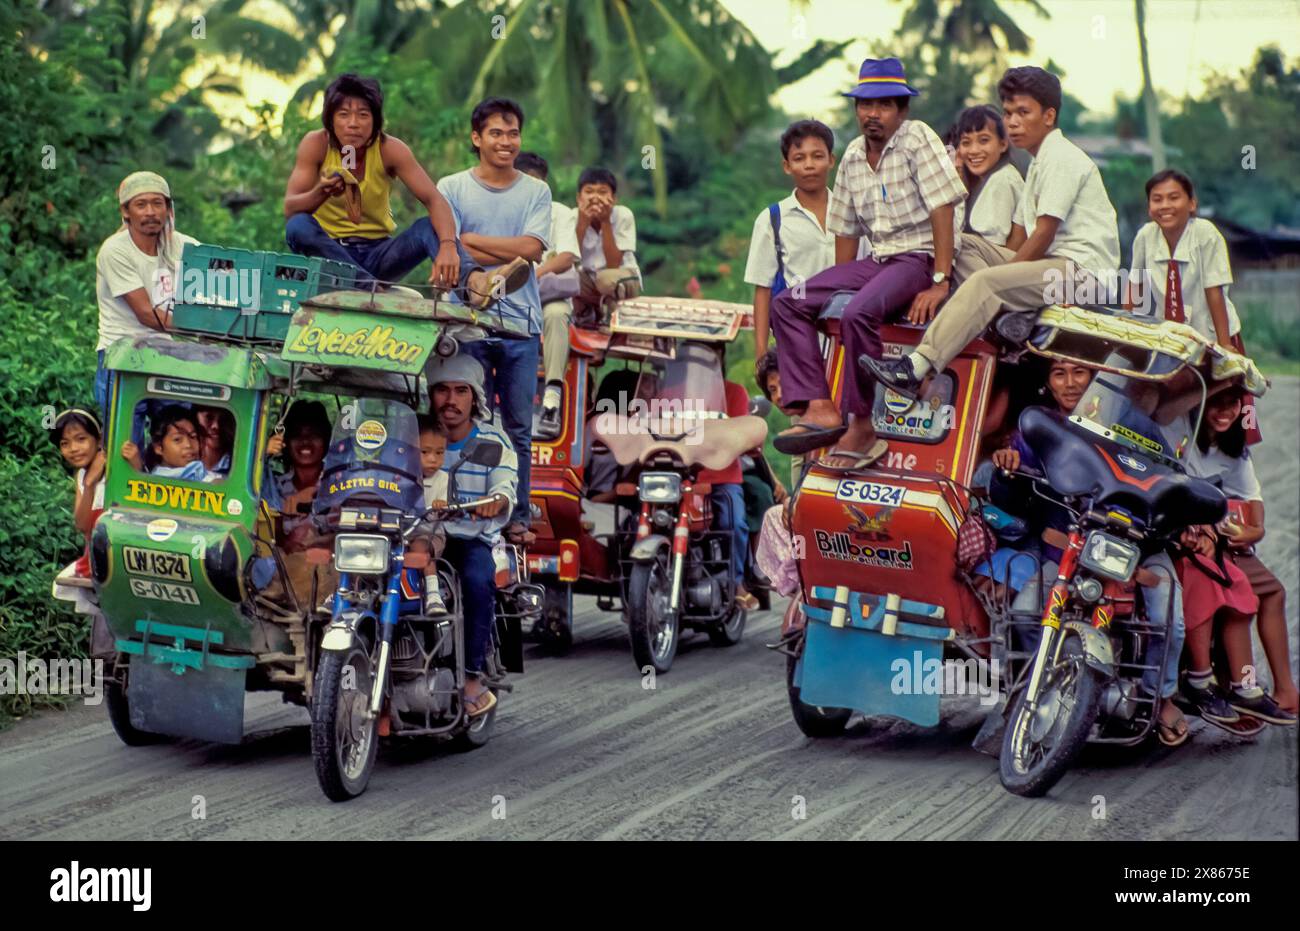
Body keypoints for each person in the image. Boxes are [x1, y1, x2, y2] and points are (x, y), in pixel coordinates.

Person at [866, 66, 1121, 399]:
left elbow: (1043, 233)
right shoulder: (1038, 161)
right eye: (1008, 113)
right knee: (961, 245)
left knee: (985, 283)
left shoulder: (1061, 157)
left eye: (1023, 113)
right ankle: (1014, 312)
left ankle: (916, 366)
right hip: (1053, 268)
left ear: (1049, 116)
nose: (1013, 122)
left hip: (1084, 275)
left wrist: (1000, 279)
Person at [770, 57, 966, 466]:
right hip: (877, 261)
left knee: (859, 312)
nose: (871, 114)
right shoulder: (855, 156)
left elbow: (942, 208)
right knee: (788, 301)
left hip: (918, 259)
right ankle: (820, 406)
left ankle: (862, 422)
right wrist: (837, 286)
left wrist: (940, 280)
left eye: (883, 106)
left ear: (901, 110)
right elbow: (846, 228)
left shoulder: (917, 139)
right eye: (864, 105)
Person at [987, 361, 1191, 745]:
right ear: (1047, 382)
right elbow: (1011, 501)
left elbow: (1171, 479)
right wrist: (1006, 472)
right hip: (1066, 550)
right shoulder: (1039, 429)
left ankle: (1159, 695)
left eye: (1079, 372)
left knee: (1169, 620)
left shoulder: (1134, 425)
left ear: (1097, 378)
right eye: (1059, 373)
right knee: (1025, 612)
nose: (1070, 383)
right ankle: (1032, 691)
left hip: (1136, 550)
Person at [283, 73, 524, 304]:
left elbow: (434, 200)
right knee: (298, 225)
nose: (353, 124)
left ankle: (476, 284)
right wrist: (321, 192)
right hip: (331, 255)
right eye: (344, 115)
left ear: (375, 120)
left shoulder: (390, 148)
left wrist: (449, 246)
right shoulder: (316, 144)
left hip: (378, 254)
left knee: (428, 226)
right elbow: (290, 208)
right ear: (330, 119)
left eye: (363, 115)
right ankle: (368, 288)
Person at [438, 97, 551, 546]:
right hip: (466, 324)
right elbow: (449, 248)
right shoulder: (452, 187)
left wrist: (471, 243)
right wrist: (506, 251)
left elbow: (535, 250)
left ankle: (516, 514)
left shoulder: (536, 191)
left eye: (513, 133)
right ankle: (459, 504)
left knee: (518, 426)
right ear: (476, 138)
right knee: (461, 418)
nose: (507, 142)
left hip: (522, 326)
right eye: (497, 133)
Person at [1181, 386, 1296, 722]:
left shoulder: (1234, 447)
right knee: (1235, 591)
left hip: (1222, 536)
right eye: (1214, 403)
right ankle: (1233, 683)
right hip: (1189, 536)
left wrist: (1255, 531)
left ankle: (1281, 688)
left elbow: (1252, 494)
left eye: (1232, 404)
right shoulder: (1182, 433)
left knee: (1272, 591)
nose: (1224, 412)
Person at [1125, 169, 1262, 444]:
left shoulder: (1205, 234)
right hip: (1173, 341)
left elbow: (1214, 291)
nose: (1165, 206)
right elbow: (1135, 286)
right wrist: (1127, 331)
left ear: (1192, 204)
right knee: (1169, 407)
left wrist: (1225, 347)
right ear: (1149, 206)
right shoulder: (1145, 236)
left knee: (1220, 414)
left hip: (1213, 334)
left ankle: (1232, 473)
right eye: (1157, 199)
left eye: (1174, 198)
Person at [427, 353, 519, 717]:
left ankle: (471, 678)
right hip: (419, 532)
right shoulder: (415, 434)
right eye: (443, 390)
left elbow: (505, 485)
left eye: (461, 391)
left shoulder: (494, 440)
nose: (451, 400)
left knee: (478, 580)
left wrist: (495, 502)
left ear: (474, 397)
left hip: (468, 537)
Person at [95, 171, 199, 414]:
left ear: (168, 209)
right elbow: (147, 314)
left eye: (157, 203)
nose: (150, 212)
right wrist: (203, 328)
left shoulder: (183, 246)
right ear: (125, 211)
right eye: (141, 204)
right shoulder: (115, 250)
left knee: (177, 433)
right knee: (125, 442)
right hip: (122, 354)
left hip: (167, 353)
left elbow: (220, 275)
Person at [743, 119, 843, 364]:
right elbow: (762, 291)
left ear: (831, 159)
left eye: (817, 156)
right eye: (799, 158)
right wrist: (761, 356)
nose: (809, 165)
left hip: (847, 339)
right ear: (787, 166)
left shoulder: (851, 212)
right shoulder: (772, 220)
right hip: (797, 342)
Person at [515, 151, 582, 438]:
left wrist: (535, 274)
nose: (535, 191)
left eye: (540, 184)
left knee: (557, 315)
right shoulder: (502, 207)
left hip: (544, 296)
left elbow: (566, 257)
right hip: (506, 296)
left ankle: (552, 396)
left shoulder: (560, 213)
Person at [122, 404, 283, 481]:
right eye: (178, 439)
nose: (188, 445)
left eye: (193, 437)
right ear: (158, 447)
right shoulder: (158, 475)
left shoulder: (197, 470)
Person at [951, 104, 1025, 250]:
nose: (974, 150)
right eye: (966, 142)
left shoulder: (1001, 179)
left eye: (984, 140)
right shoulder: (981, 181)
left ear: (1003, 144)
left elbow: (990, 247)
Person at [573, 167, 642, 312]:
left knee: (606, 278)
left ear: (614, 198)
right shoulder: (572, 217)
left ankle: (615, 317)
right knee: (565, 277)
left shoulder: (623, 215)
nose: (595, 197)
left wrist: (605, 221)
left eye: (602, 192)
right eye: (589, 191)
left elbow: (613, 264)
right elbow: (571, 258)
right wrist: (583, 224)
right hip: (590, 277)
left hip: (623, 276)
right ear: (579, 198)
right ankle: (586, 314)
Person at [269, 400, 332, 544]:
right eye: (297, 435)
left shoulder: (339, 484)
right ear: (285, 442)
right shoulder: (275, 487)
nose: (305, 441)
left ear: (326, 439)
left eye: (314, 434)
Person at [52, 409, 105, 578]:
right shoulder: (81, 475)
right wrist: (89, 485)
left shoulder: (116, 468)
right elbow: (82, 525)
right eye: (64, 443)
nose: (73, 449)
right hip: (94, 558)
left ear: (99, 439)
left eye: (81, 439)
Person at [410, 415, 450, 617]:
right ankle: (347, 591)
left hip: (429, 532)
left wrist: (442, 505)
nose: (433, 459)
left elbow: (446, 505)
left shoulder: (443, 479)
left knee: (420, 546)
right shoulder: (400, 474)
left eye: (439, 453)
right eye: (424, 452)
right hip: (398, 532)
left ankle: (433, 595)